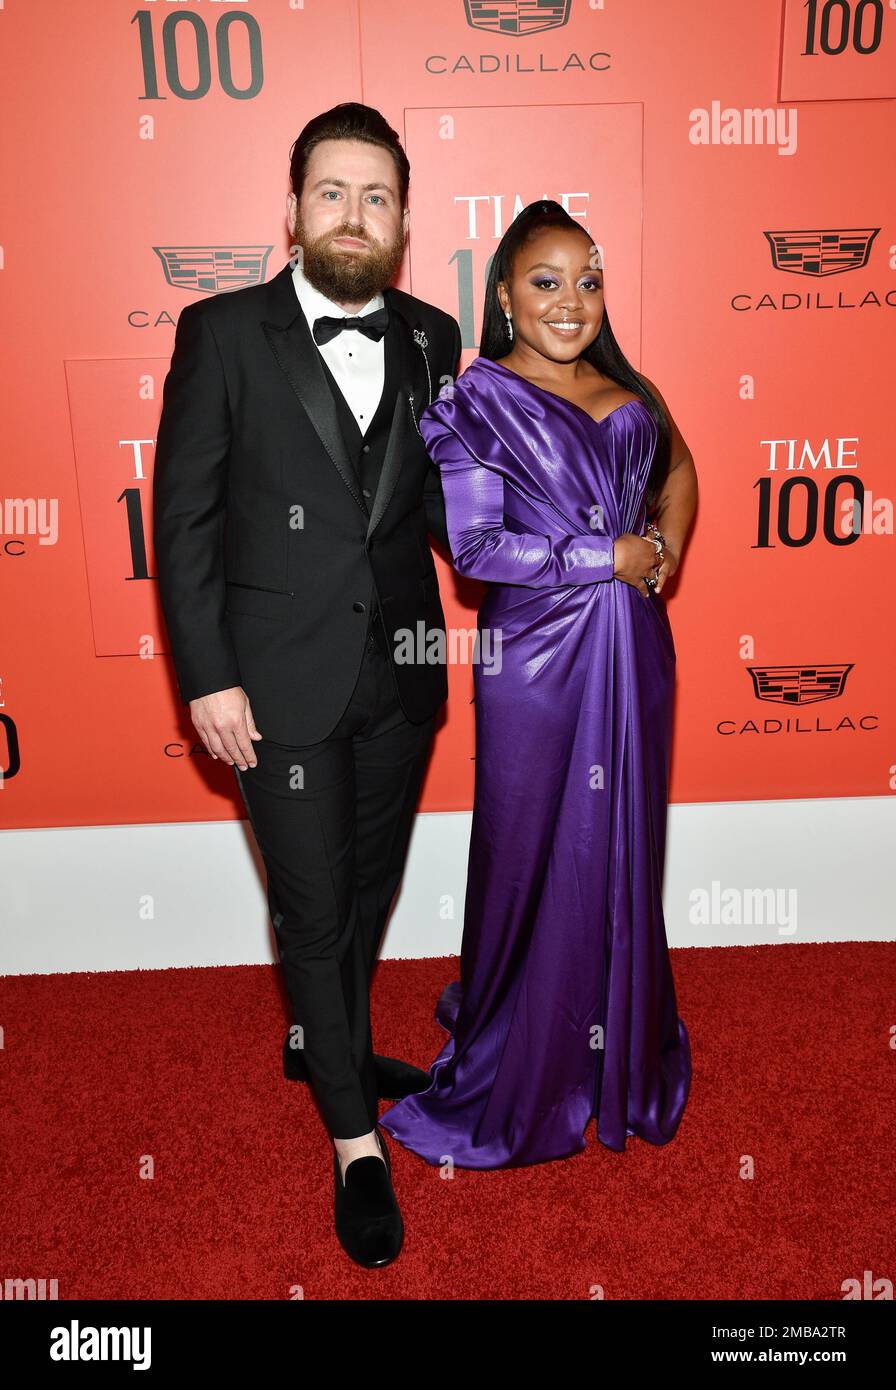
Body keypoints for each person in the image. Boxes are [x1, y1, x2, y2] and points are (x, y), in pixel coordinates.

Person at [152, 103, 462, 1265]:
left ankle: (315, 1036)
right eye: (331, 191)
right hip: (271, 685)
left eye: (375, 196)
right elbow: (182, 520)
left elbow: (440, 510)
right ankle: (352, 1136)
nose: (352, 213)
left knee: (369, 887)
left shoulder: (434, 337)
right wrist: (208, 677)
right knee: (314, 901)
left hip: (401, 673)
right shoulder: (223, 331)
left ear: (399, 219)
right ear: (291, 211)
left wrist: (561, 537)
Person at [379, 199, 697, 1168]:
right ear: (507, 297)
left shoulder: (622, 383)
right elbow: (476, 550)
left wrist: (666, 550)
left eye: (587, 280)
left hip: (634, 652)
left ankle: (615, 1042)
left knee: (620, 847)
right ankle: (524, 1054)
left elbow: (678, 467)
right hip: (538, 662)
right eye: (546, 282)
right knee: (533, 847)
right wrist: (605, 554)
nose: (571, 301)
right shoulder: (475, 399)